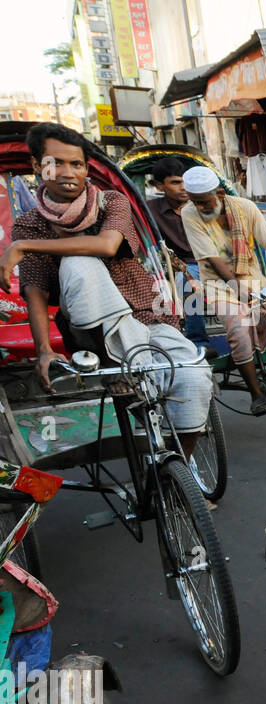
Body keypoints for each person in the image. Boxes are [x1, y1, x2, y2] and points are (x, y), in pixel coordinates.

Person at [0, 124, 212, 457]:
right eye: (57, 163)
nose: (68, 173)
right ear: (39, 165)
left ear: (87, 169)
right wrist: (43, 349)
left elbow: (108, 245)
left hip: (148, 317)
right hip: (90, 333)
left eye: (78, 164)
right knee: (77, 264)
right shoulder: (30, 223)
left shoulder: (111, 202)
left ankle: (177, 466)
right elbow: (35, 291)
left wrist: (24, 246)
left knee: (195, 376)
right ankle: (138, 374)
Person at [180, 165, 266, 415]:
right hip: (218, 284)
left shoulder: (245, 207)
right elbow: (213, 259)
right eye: (196, 202)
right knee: (238, 329)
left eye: (205, 202)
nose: (201, 207)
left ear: (220, 194)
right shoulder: (189, 214)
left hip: (254, 277)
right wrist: (238, 290)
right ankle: (257, 394)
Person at [146, 156, 209, 345]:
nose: (183, 187)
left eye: (185, 182)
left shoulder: (203, 205)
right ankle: (199, 342)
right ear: (159, 186)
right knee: (187, 281)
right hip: (180, 267)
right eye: (175, 182)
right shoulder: (151, 210)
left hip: (213, 262)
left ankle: (262, 335)